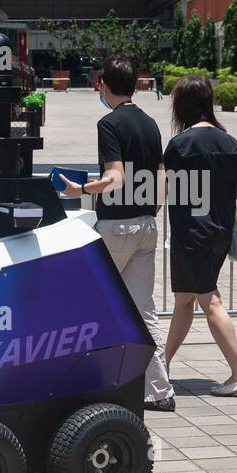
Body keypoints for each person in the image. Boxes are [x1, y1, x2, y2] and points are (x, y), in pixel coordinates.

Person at [60, 56, 175, 412]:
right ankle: (160, 390)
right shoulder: (151, 124)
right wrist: (151, 212)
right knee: (144, 311)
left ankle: (81, 385)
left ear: (103, 85)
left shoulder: (108, 124)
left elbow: (116, 177)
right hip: (147, 226)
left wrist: (81, 190)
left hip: (115, 228)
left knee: (87, 302)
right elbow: (161, 179)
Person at [160, 74, 237, 397]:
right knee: (185, 300)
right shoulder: (229, 141)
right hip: (219, 232)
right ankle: (162, 365)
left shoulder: (180, 145)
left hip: (190, 234)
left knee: (209, 301)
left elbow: (164, 189)